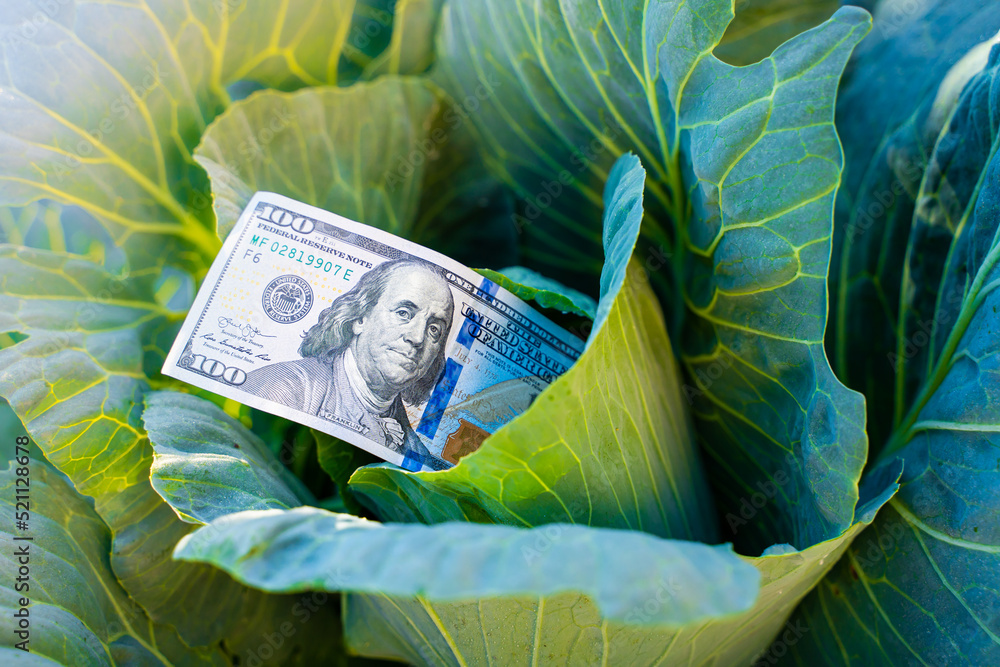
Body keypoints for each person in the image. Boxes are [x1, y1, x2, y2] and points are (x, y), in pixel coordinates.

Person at [242, 258, 454, 459]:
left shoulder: (416, 454)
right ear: (360, 318)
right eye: (403, 313)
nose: (417, 338)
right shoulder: (285, 388)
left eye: (434, 330)